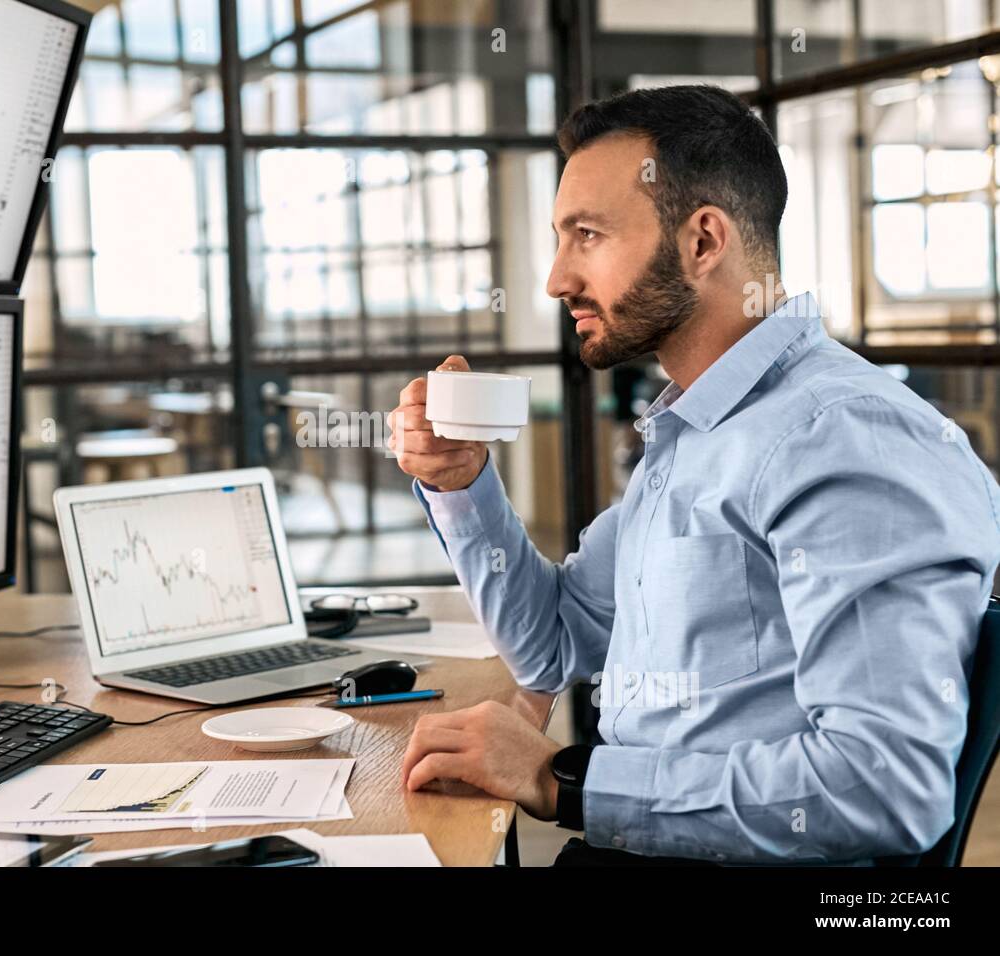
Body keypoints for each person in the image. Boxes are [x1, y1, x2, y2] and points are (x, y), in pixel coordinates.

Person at [387, 84, 1000, 865]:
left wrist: (565, 780)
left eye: (587, 236)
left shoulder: (845, 438)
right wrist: (461, 482)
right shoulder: (697, 431)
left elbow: (882, 786)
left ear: (703, 241)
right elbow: (551, 643)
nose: (555, 279)